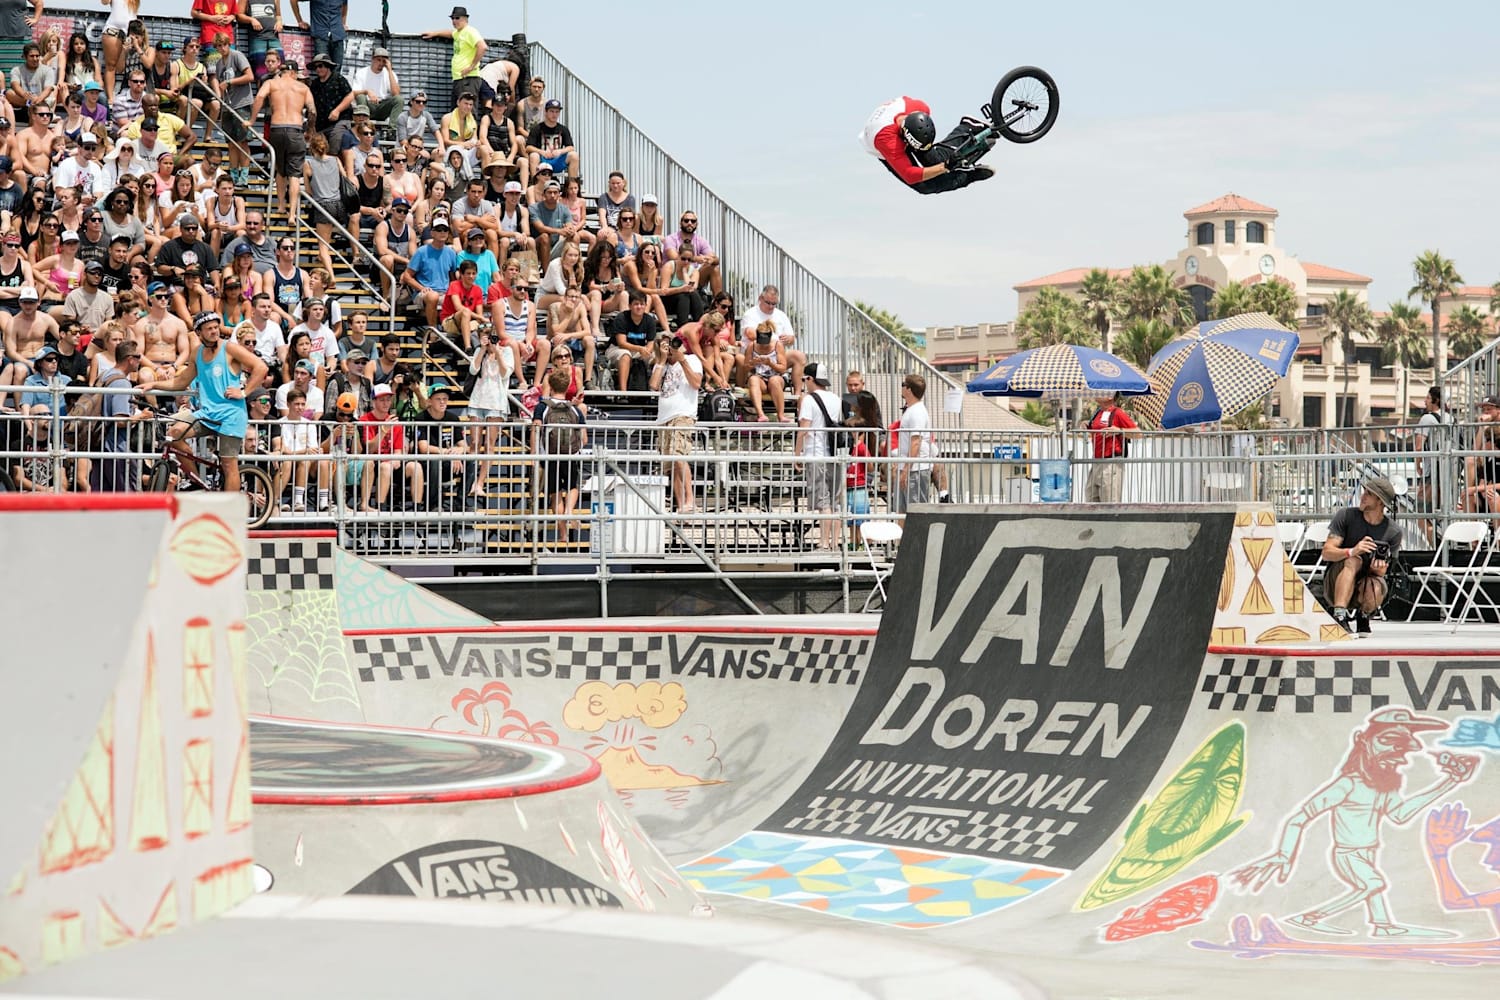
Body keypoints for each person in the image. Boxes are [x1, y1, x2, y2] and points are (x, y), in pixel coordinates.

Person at [139, 311, 267, 493]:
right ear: (199, 332)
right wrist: (153, 384)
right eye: (209, 329)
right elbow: (181, 382)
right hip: (207, 412)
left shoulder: (230, 348)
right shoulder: (197, 353)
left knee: (228, 464)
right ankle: (196, 481)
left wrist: (244, 392)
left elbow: (261, 367)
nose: (214, 331)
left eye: (216, 327)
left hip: (231, 415)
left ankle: (230, 507)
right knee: (174, 434)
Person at [859, 95, 995, 194]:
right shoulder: (889, 143)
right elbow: (909, 175)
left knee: (934, 160)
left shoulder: (920, 109)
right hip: (882, 143)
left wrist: (940, 162)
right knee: (924, 186)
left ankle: (967, 126)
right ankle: (969, 175)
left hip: (901, 121)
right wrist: (944, 167)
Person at [1321, 475, 1403, 635]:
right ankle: (1339, 615)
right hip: (1336, 582)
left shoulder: (1393, 532)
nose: (1363, 496)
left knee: (1375, 584)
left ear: (1380, 502)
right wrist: (1352, 551)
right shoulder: (1346, 516)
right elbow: (1326, 553)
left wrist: (1378, 570)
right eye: (1364, 491)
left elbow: (1386, 570)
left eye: (1369, 494)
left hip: (1366, 582)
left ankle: (1364, 615)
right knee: (1354, 560)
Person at [249, 59, 315, 221]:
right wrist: (310, 130)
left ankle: (280, 205)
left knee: (280, 170)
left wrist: (251, 121)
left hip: (277, 129)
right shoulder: (303, 88)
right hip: (295, 130)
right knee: (294, 174)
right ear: (293, 73)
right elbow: (312, 111)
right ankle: (292, 214)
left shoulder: (271, 83)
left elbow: (259, 98)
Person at [531, 365, 587, 544]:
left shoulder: (543, 407)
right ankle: (570, 512)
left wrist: (534, 454)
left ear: (550, 385)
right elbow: (584, 438)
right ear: (568, 385)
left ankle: (563, 535)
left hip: (549, 456)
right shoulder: (575, 409)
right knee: (572, 486)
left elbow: (536, 430)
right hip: (571, 455)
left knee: (555, 494)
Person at [651, 331, 702, 515]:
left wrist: (682, 360)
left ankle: (690, 500)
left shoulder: (692, 359)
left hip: (683, 414)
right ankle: (681, 506)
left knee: (679, 456)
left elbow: (696, 383)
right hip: (664, 418)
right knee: (671, 464)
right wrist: (662, 359)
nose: (670, 347)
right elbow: (654, 385)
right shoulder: (661, 365)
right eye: (664, 344)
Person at [796, 362, 845, 550]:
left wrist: (797, 454)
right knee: (835, 502)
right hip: (834, 455)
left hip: (816, 454)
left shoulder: (809, 400)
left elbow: (803, 429)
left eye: (805, 379)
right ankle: (835, 542)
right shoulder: (836, 398)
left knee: (823, 501)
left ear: (810, 379)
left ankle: (824, 542)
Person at [423, 6, 486, 107]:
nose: (454, 21)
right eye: (452, 18)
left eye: (457, 18)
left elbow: (482, 47)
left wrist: (471, 67)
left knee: (467, 109)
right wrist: (434, 33)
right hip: (459, 79)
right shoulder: (459, 33)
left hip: (468, 78)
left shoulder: (470, 31)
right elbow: (450, 33)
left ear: (465, 19)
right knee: (457, 111)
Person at [1415, 385, 1454, 543]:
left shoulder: (1427, 418)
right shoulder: (1451, 419)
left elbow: (1419, 446)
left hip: (1431, 473)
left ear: (1435, 400)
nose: (1425, 401)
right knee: (1443, 515)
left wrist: (1418, 465)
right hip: (1448, 473)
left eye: (1427, 398)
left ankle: (1438, 548)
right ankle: (1446, 546)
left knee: (1421, 514)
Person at [1085, 392, 1138, 503]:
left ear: (1110, 396)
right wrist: (1086, 426)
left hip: (1111, 463)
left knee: (1109, 501)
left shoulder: (1118, 413)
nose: (1098, 392)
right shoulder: (1097, 413)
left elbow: (1138, 433)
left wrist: (1120, 431)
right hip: (1096, 462)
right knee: (1091, 501)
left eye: (1102, 390)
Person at [894, 374, 932, 513]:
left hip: (915, 470)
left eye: (903, 384)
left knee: (916, 513)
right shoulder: (912, 410)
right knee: (901, 511)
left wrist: (906, 469)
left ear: (909, 389)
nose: (902, 387)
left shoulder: (917, 412)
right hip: (909, 468)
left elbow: (916, 442)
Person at [290, 0, 348, 72]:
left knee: (337, 69)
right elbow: (293, 1)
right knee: (322, 67)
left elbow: (344, 6)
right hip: (321, 36)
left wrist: (343, 23)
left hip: (338, 35)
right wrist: (300, 21)